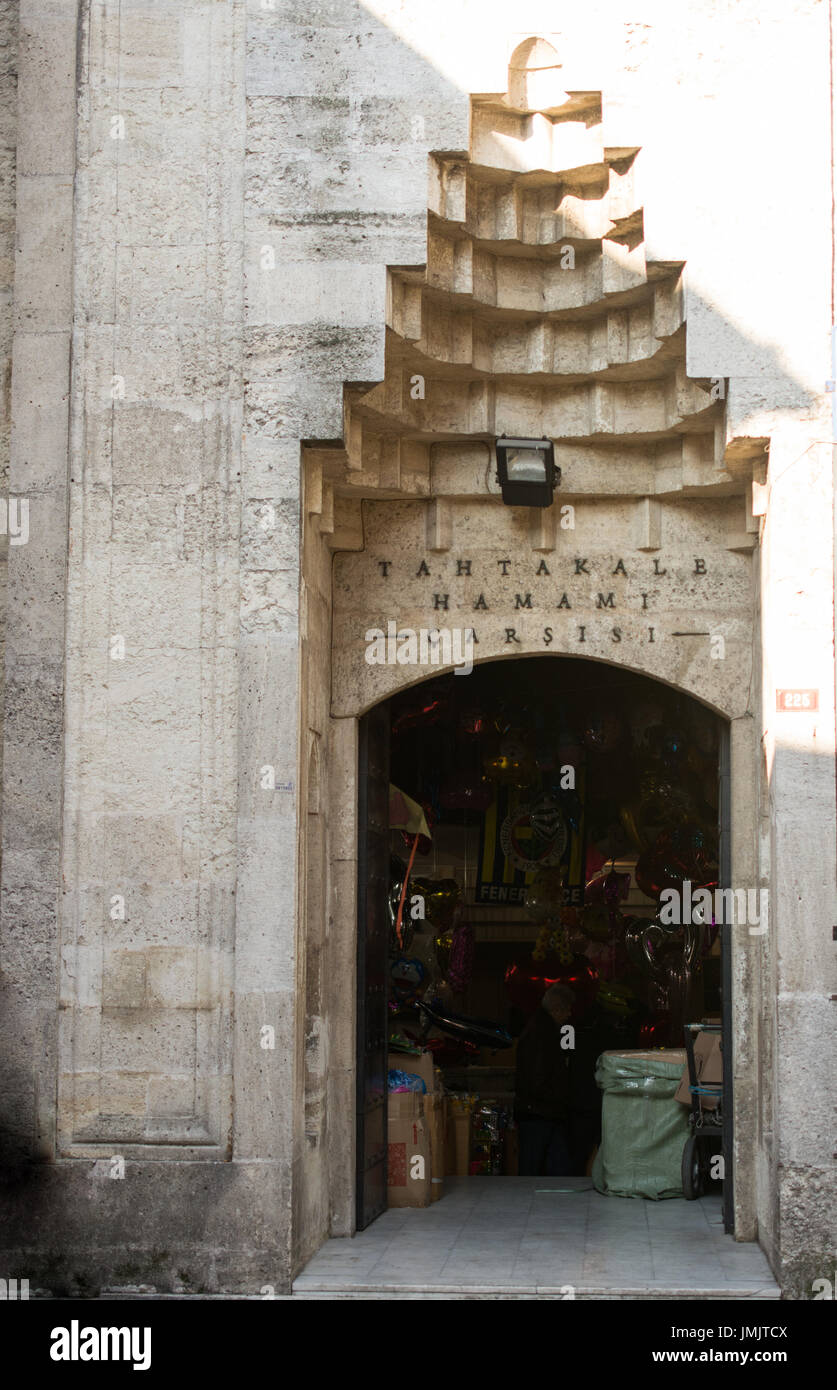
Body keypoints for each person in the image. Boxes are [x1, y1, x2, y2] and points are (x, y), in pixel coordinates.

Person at [514, 984, 575, 1177]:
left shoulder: (539, 1029)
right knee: (544, 1168)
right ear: (557, 1009)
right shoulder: (543, 1034)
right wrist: (560, 1098)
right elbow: (536, 1079)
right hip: (540, 1112)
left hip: (539, 1111)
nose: (570, 1015)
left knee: (539, 1167)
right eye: (567, 1009)